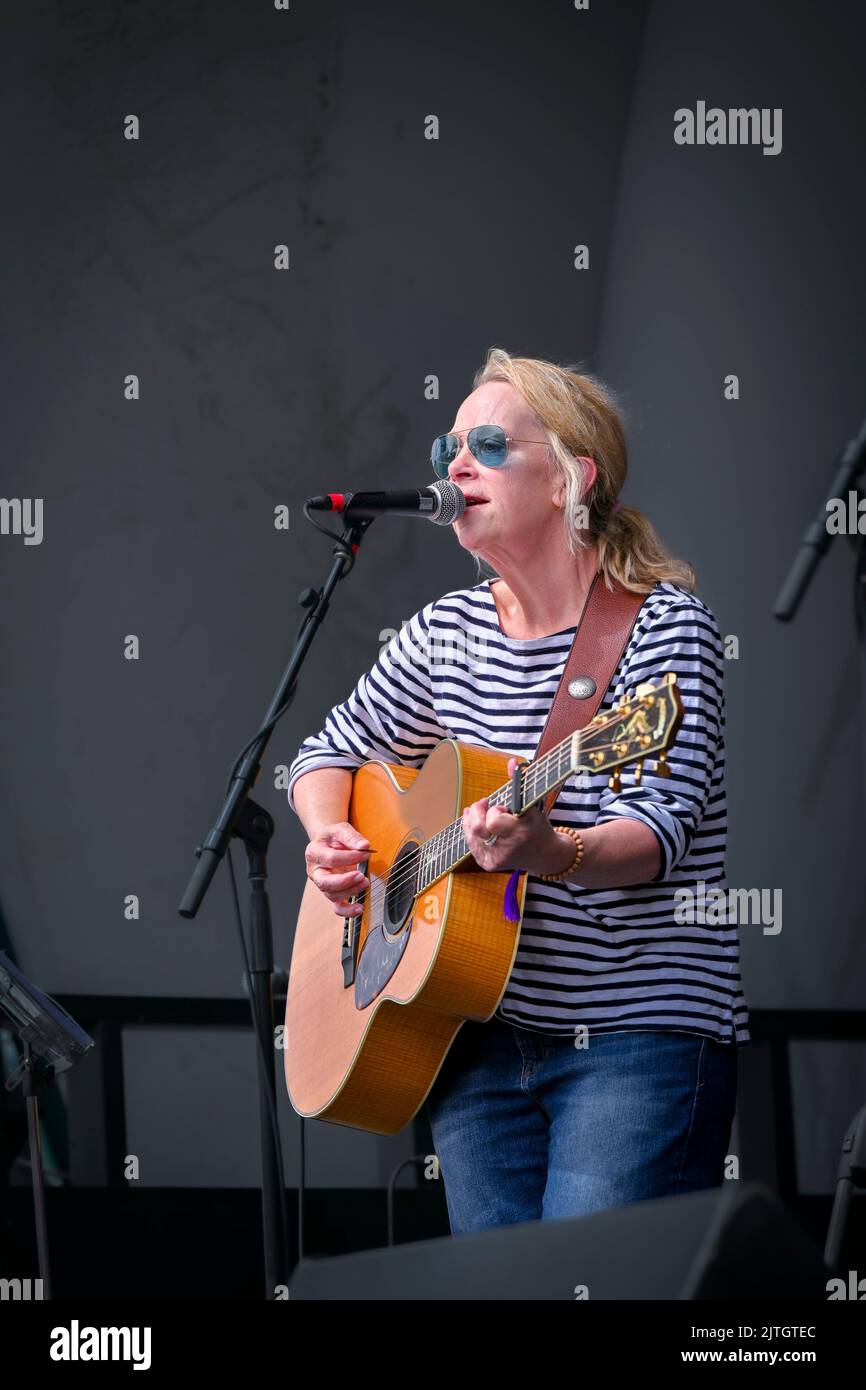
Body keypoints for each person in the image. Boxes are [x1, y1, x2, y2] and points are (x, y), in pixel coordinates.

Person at [287, 347, 749, 1234]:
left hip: (634, 1037)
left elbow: (655, 836)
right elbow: (326, 752)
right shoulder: (445, 632)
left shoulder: (662, 627)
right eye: (445, 451)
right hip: (471, 1033)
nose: (455, 467)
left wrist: (548, 850)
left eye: (489, 445)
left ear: (574, 478)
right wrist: (329, 838)